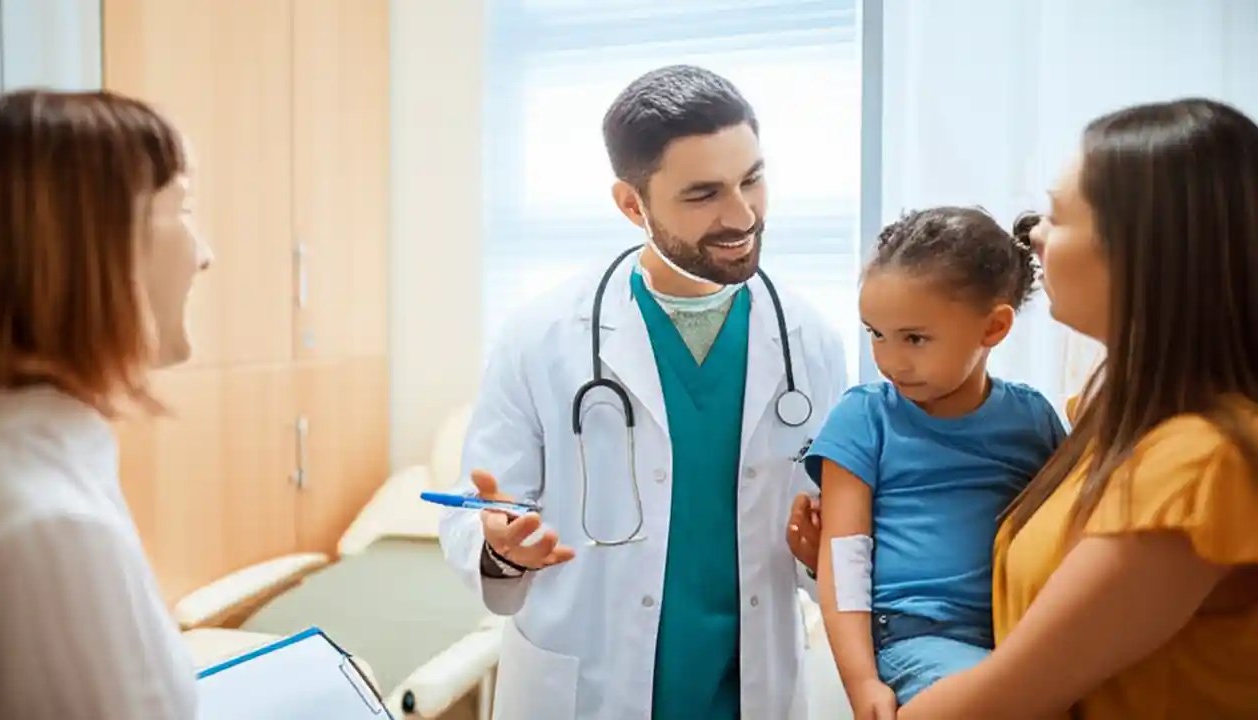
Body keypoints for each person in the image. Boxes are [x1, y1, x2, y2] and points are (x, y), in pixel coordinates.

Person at [437, 64, 848, 719]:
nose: (742, 214)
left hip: (749, 692)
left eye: (752, 179)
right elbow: (473, 513)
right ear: (632, 205)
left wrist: (821, 554)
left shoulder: (811, 343)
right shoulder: (539, 338)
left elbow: (826, 544)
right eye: (703, 194)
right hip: (587, 691)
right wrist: (499, 549)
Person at [898, 98, 1258, 719]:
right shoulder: (1112, 417)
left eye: (1059, 217)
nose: (1032, 234)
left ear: (1147, 251)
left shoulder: (1200, 464)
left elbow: (1000, 702)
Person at [0, 89, 212, 718]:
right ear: (99, 245)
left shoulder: (26, 470)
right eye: (181, 209)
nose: (204, 256)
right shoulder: (47, 531)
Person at [794, 208, 1066, 716]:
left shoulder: (1033, 420)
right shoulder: (864, 418)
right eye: (876, 333)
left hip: (1018, 635)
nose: (890, 360)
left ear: (994, 328)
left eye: (914, 339)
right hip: (914, 637)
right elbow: (844, 562)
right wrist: (862, 684)